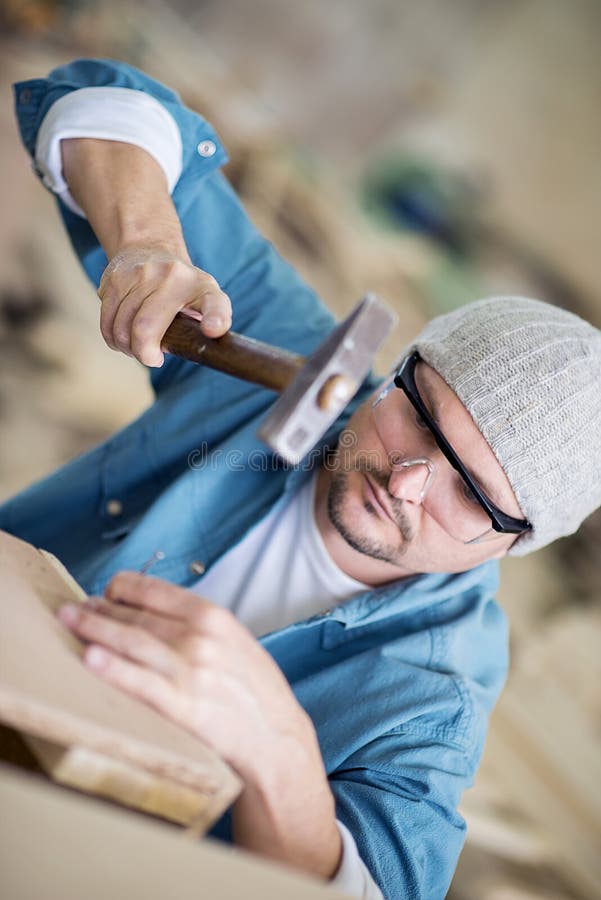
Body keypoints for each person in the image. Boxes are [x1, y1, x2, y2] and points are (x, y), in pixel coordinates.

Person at [4, 58, 601, 900]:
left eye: (470, 494)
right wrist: (146, 241)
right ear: (394, 371)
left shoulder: (433, 698)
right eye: (420, 419)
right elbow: (99, 98)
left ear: (512, 544)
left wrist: (276, 747)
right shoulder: (287, 362)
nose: (409, 481)